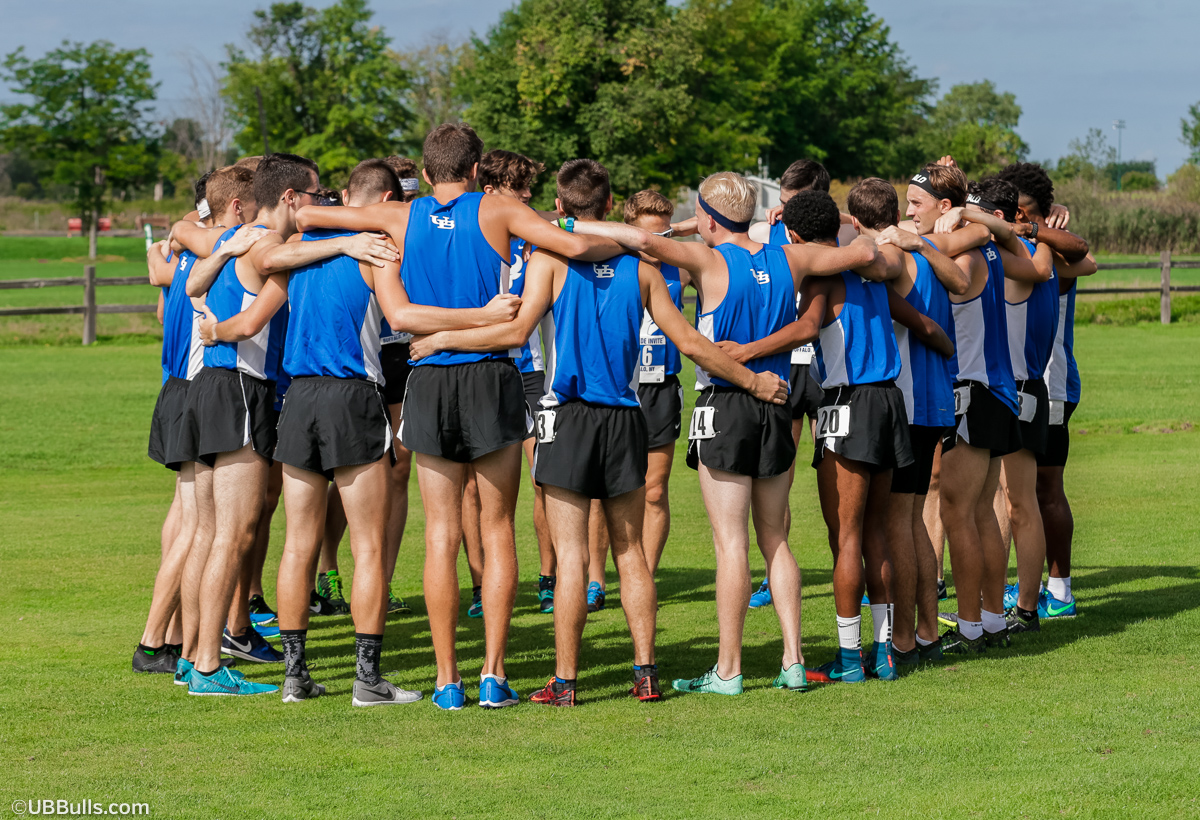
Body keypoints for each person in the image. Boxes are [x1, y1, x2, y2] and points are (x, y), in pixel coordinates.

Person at [411, 159, 788, 705]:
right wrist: (752, 380)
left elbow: (515, 331)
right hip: (625, 418)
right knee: (630, 551)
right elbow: (690, 344)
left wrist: (442, 339)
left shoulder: (548, 263)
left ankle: (565, 682)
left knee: (571, 559)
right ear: (610, 206)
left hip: (566, 417)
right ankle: (646, 673)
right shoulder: (643, 268)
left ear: (560, 209)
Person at [295, 123, 626, 710]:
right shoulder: (499, 209)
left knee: (441, 534)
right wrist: (637, 237)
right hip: (492, 376)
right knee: (497, 529)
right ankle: (492, 676)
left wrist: (346, 239)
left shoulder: (401, 216)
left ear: (424, 173)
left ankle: (448, 681)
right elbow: (573, 247)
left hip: (428, 379)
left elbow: (311, 219)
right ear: (476, 170)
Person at [573, 171, 884, 695]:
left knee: (730, 544)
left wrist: (572, 222)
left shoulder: (707, 259)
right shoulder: (791, 257)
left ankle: (729, 670)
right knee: (776, 539)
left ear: (709, 220)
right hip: (778, 400)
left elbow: (647, 240)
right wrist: (884, 232)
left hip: (726, 403)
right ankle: (792, 660)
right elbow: (860, 255)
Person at [203, 159, 426, 706]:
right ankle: (368, 680)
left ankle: (295, 677)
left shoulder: (294, 258)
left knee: (297, 543)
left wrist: (214, 330)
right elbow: (404, 317)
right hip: (354, 398)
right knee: (369, 547)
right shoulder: (374, 251)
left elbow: (251, 318)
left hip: (297, 400)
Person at [906, 161, 1044, 653]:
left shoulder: (963, 248)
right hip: (998, 393)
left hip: (973, 391)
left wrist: (930, 234)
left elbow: (954, 278)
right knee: (983, 513)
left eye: (916, 203)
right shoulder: (987, 240)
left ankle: (967, 628)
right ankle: (989, 621)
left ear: (946, 208)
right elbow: (1028, 257)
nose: (909, 212)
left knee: (958, 512)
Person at [841, 178, 972, 673]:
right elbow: (959, 284)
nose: (916, 213)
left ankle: (901, 643)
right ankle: (927, 633)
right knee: (915, 520)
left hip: (910, 402)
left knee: (898, 522)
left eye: (918, 204)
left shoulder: (891, 252)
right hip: (935, 401)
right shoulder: (928, 249)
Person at [744, 159, 850, 610]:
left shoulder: (839, 235)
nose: (782, 211)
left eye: (793, 204)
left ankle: (847, 567)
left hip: (825, 370)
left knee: (838, 482)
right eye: (781, 203)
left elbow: (886, 224)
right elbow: (716, 230)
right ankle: (774, 573)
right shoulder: (768, 233)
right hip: (785, 368)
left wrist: (844, 218)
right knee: (777, 479)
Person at [998, 162, 1093, 621]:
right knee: (1015, 492)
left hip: (1050, 383)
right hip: (1020, 382)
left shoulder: (1050, 248)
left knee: (1046, 488)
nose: (1014, 217)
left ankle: (1060, 590)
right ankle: (1029, 586)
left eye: (1023, 211)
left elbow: (1086, 260)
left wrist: (1041, 229)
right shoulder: (1020, 242)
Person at [133, 172, 216, 675]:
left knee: (185, 518)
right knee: (195, 524)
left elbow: (162, 288)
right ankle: (155, 641)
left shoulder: (187, 247)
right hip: (191, 388)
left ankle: (174, 636)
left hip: (176, 386)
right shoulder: (211, 250)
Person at [478, 149, 559, 614]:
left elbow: (560, 219)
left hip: (534, 374)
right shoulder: (475, 234)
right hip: (488, 368)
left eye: (530, 186)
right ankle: (480, 585)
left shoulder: (537, 235)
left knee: (543, 478)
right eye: (519, 187)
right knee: (477, 490)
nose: (529, 195)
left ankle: (547, 578)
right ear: (490, 190)